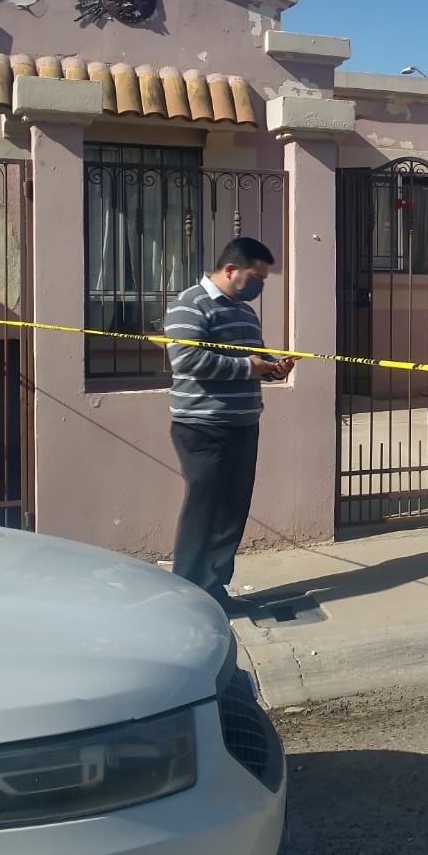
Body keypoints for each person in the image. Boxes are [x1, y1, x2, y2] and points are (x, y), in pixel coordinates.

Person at [165, 237, 294, 610]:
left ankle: (215, 588)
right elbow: (186, 361)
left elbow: (254, 359)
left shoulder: (244, 312)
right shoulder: (190, 305)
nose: (260, 286)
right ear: (231, 269)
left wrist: (272, 368)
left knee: (233, 509)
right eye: (256, 277)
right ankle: (187, 595)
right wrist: (246, 367)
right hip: (202, 425)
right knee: (205, 507)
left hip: (243, 424)